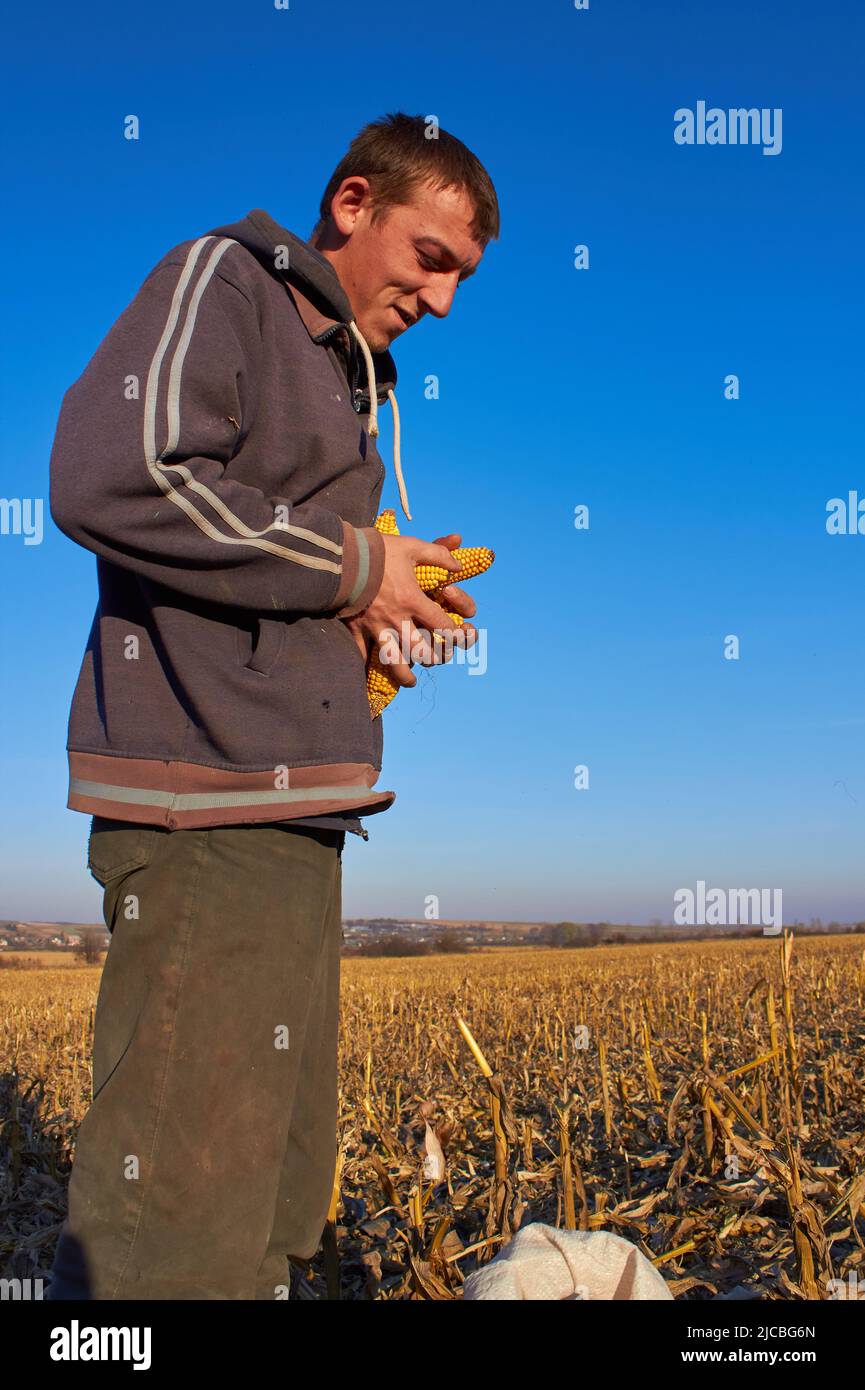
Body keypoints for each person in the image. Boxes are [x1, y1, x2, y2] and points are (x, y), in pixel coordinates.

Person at [45, 111, 499, 1300]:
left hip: (299, 814)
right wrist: (356, 570)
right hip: (207, 808)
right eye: (432, 259)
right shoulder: (224, 281)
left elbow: (267, 553)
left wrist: (379, 610)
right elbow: (116, 474)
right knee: (171, 1244)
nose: (444, 302)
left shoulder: (351, 381)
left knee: (269, 1207)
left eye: (463, 280)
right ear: (352, 205)